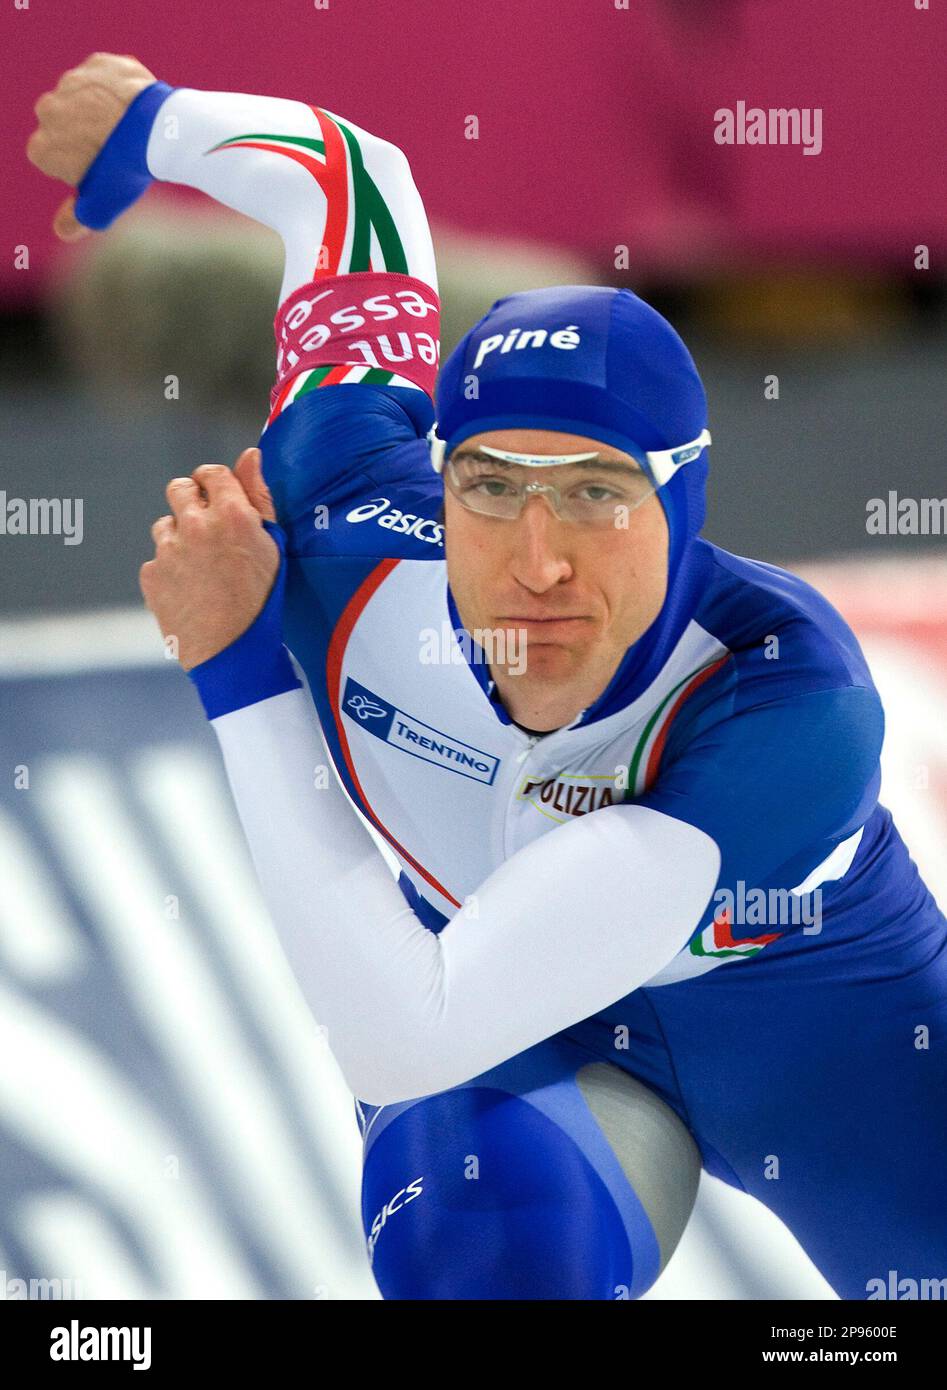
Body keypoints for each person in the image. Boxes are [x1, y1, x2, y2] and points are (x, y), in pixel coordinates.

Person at [28, 54, 947, 1302]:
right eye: (492, 488)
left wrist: (240, 672)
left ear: (681, 509)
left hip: (825, 1044)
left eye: (595, 495)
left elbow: (404, 1024)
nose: (537, 561)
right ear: (436, 479)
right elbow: (354, 184)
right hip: (534, 1047)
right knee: (482, 1255)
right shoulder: (345, 505)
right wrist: (156, 125)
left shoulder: (787, 699)